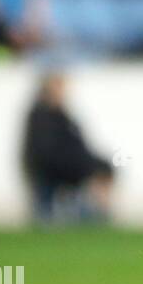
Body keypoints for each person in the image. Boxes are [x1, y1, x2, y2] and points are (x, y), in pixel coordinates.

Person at [21, 73, 115, 223]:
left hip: (68, 163)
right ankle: (91, 212)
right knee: (96, 169)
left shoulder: (63, 115)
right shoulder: (40, 115)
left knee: (104, 167)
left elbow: (77, 143)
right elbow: (45, 150)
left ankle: (97, 210)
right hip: (51, 167)